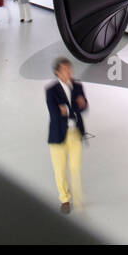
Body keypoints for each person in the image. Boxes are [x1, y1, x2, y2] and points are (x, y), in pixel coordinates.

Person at [46, 57, 87, 214]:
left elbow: (84, 106)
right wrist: (74, 107)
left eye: (70, 69)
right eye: (65, 70)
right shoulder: (51, 91)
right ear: (58, 73)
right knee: (60, 169)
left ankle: (77, 199)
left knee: (75, 167)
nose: (69, 72)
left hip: (75, 132)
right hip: (58, 135)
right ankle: (64, 198)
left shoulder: (77, 86)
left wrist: (72, 108)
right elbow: (55, 113)